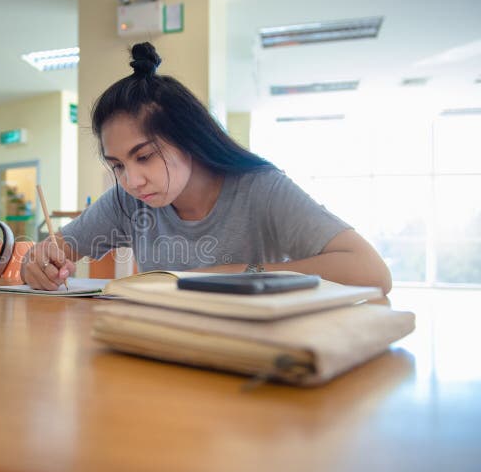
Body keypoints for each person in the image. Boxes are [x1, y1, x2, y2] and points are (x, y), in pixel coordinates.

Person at [21, 42, 392, 294]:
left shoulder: (261, 189)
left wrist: (243, 272)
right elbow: (52, 251)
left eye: (145, 156)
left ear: (188, 139)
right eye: (117, 165)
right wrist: (38, 264)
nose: (131, 180)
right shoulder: (127, 201)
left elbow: (372, 272)